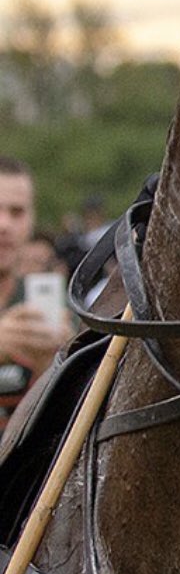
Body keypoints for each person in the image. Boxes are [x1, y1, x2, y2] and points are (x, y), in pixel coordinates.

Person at [0, 157, 70, 429]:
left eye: (17, 212)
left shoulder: (51, 305)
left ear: (31, 220)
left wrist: (60, 365)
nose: (4, 225)